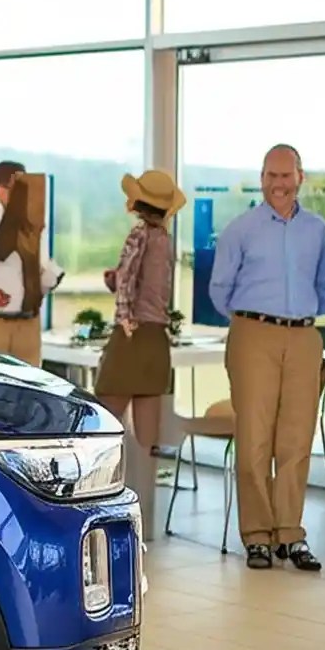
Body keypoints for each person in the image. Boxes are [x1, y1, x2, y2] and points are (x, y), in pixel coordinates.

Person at [209, 143, 325, 571]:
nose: (278, 184)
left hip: (303, 336)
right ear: (261, 179)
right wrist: (253, 323)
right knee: (255, 437)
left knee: (297, 440)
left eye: (285, 176)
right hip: (253, 333)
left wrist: (301, 317)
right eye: (270, 175)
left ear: (300, 178)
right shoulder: (240, 229)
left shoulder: (317, 229)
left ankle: (290, 535)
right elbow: (219, 289)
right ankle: (257, 535)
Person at [94, 169, 183, 468]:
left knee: (103, 420)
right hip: (157, 337)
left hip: (132, 335)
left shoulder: (139, 234)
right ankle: (146, 498)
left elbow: (128, 282)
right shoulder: (164, 240)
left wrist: (124, 316)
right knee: (148, 435)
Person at [0, 160, 65, 366]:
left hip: (29, 325)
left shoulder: (32, 226)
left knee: (29, 390)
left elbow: (40, 269)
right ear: (1, 191)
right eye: (21, 188)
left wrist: (51, 277)